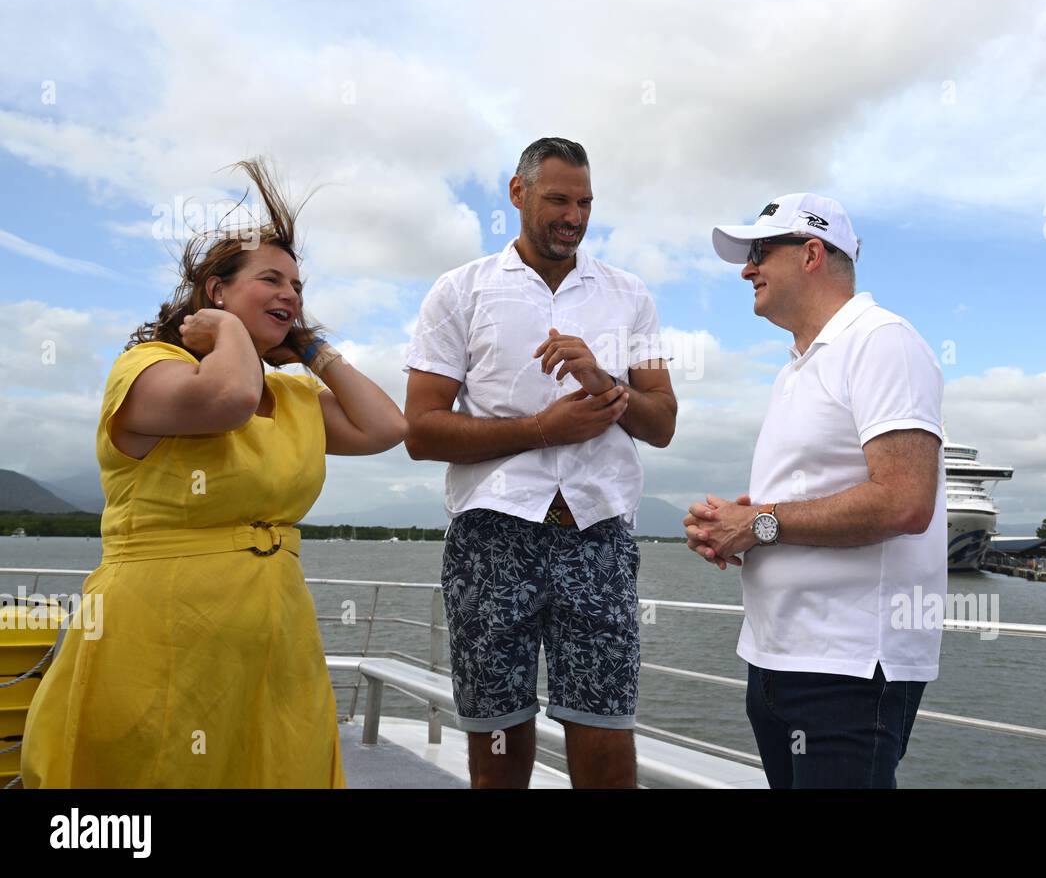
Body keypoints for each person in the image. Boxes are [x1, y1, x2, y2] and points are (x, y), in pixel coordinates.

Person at [21, 159, 409, 788]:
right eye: (271, 280)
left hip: (272, 637)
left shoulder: (292, 397)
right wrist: (228, 331)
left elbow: (386, 428)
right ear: (216, 290)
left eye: (298, 286)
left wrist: (314, 350)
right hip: (157, 631)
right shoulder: (148, 367)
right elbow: (226, 401)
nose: (291, 294)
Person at [403, 137, 676, 788]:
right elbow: (420, 429)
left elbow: (661, 422)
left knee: (606, 728)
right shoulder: (459, 291)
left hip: (599, 537)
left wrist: (605, 380)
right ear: (517, 192)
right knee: (498, 736)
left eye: (585, 202)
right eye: (558, 199)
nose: (574, 217)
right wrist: (538, 430)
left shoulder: (628, 294)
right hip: (492, 537)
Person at [684, 193, 946, 789]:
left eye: (759, 253)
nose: (747, 269)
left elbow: (906, 500)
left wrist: (760, 524)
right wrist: (735, 523)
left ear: (810, 254)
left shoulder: (882, 342)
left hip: (849, 669)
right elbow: (805, 500)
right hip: (777, 659)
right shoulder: (796, 366)